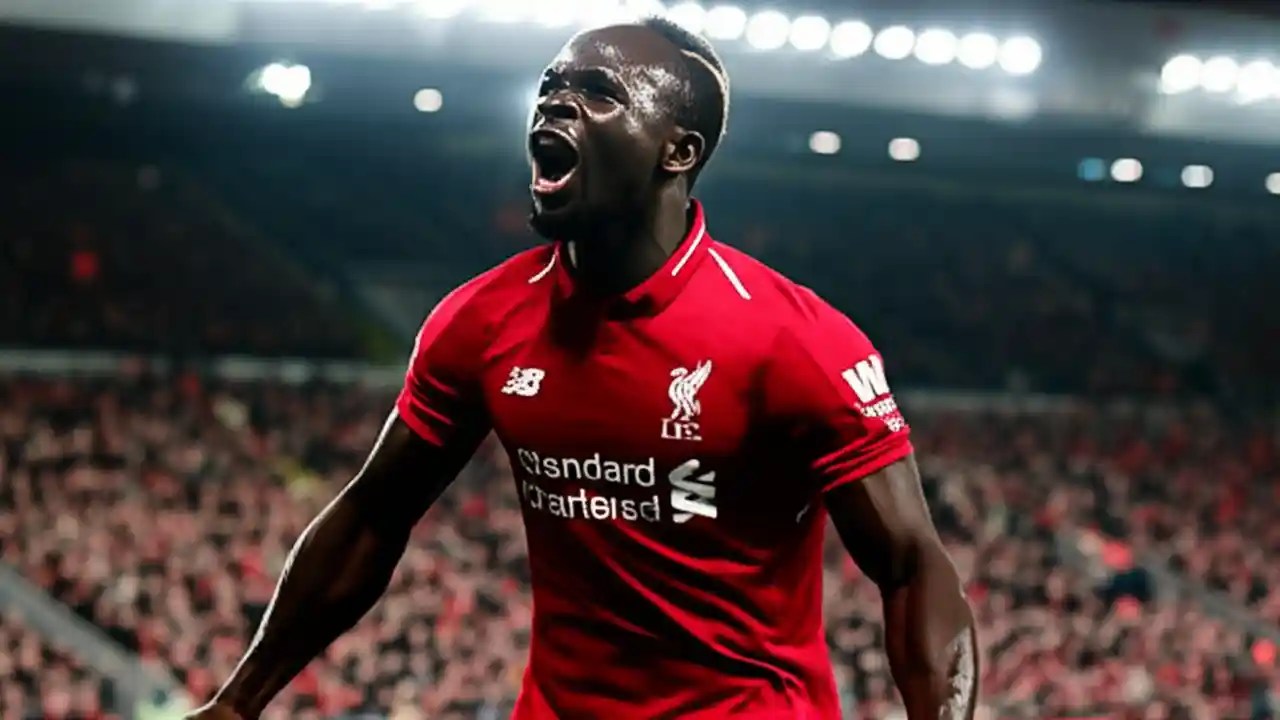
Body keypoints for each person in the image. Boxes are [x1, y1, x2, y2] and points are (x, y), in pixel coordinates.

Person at [188, 16, 977, 720]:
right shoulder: (482, 320)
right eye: (551, 87)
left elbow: (912, 565)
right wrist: (239, 701)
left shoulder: (792, 339)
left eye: (599, 92)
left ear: (679, 150)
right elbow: (372, 515)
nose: (555, 104)